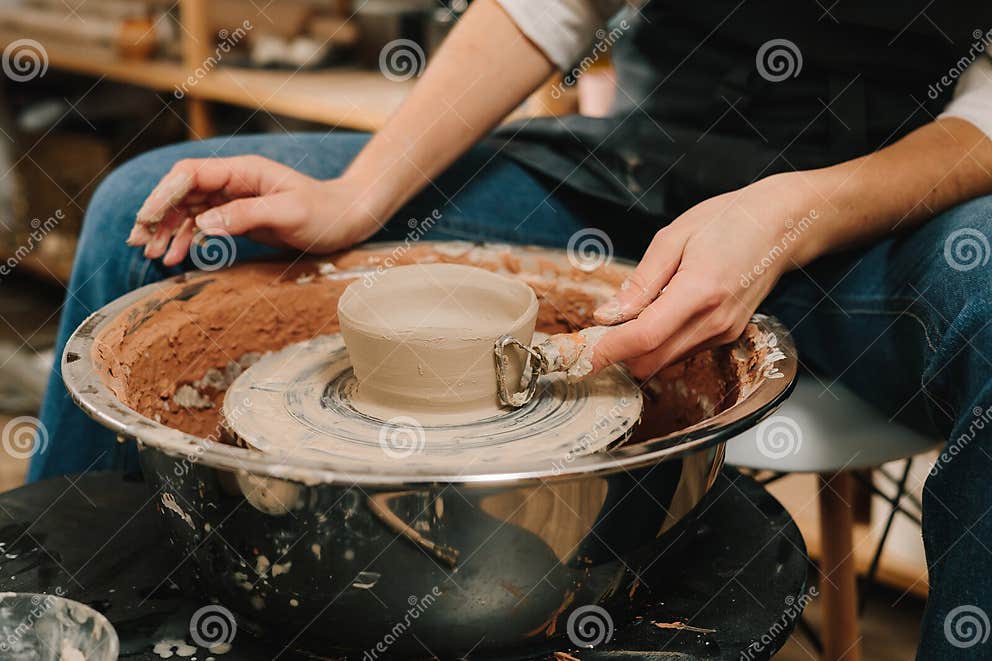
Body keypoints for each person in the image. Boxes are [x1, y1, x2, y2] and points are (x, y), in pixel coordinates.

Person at [32, 1, 992, 657]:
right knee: (143, 216)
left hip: (889, 202)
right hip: (646, 172)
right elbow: (550, 8)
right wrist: (356, 195)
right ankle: (54, 621)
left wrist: (790, 213)